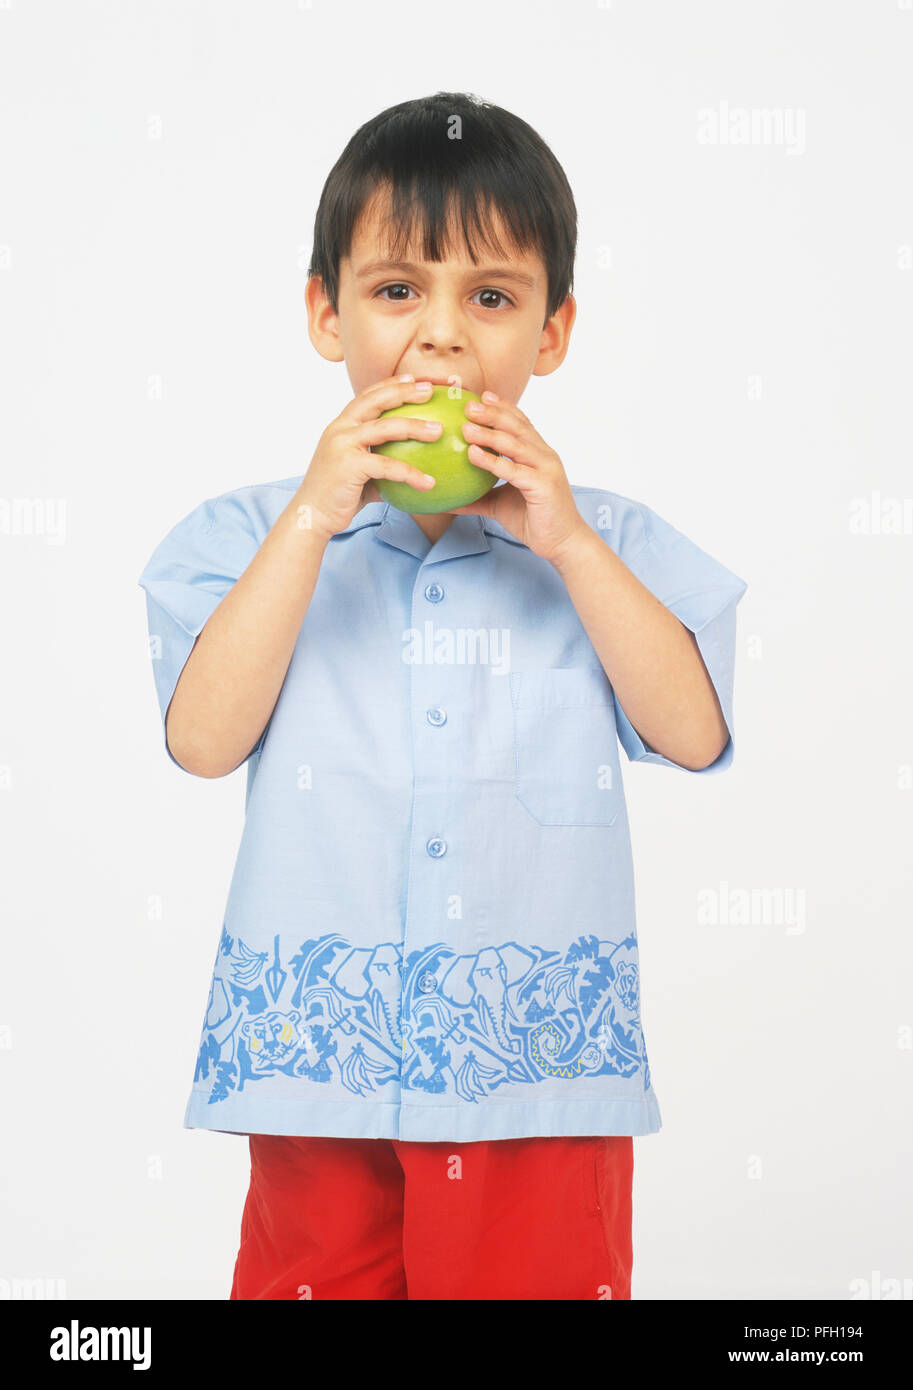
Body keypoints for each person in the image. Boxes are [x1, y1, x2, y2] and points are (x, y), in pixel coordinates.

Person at [137, 91, 748, 1301]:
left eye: (491, 298)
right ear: (326, 313)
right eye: (396, 289)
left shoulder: (602, 540)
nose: (441, 339)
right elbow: (202, 740)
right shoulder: (250, 534)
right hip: (322, 1069)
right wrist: (313, 518)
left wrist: (566, 542)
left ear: (552, 331)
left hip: (535, 1072)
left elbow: (692, 731)